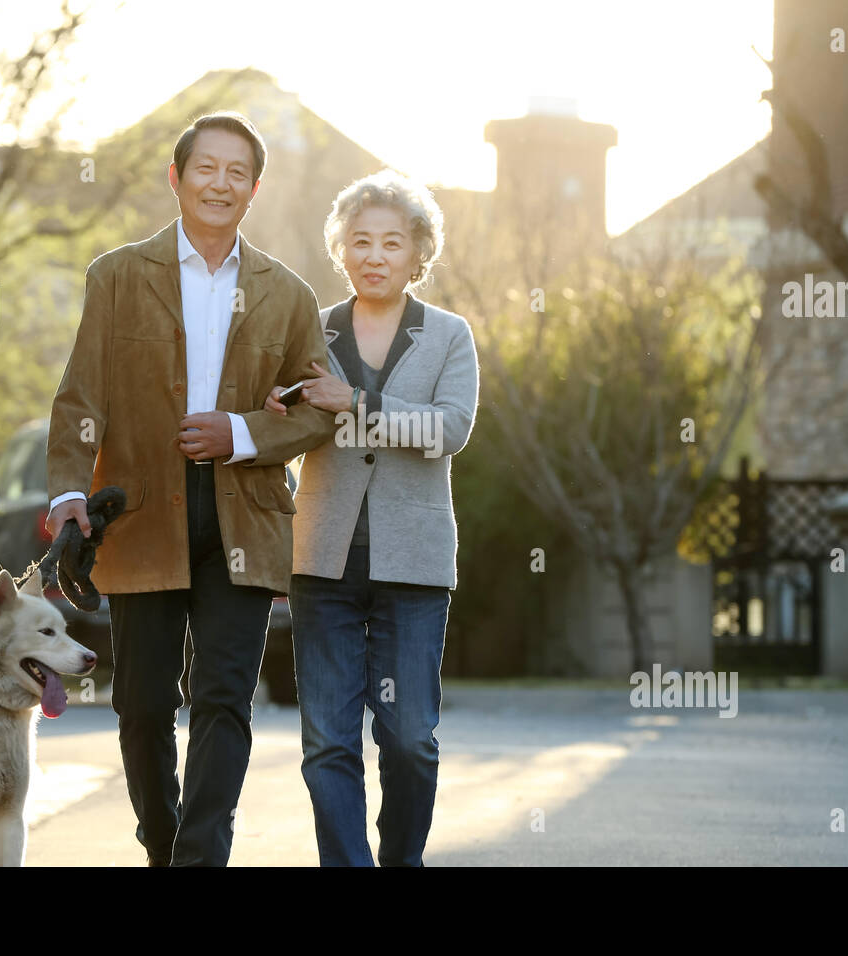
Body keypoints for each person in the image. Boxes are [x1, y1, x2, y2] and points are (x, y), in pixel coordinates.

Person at [46, 111, 336, 866]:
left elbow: (319, 405)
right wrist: (67, 495)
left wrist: (240, 434)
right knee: (142, 704)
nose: (221, 183)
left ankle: (200, 858)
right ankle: (164, 843)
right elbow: (81, 399)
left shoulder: (289, 292)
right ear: (177, 178)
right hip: (140, 512)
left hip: (246, 514)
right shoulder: (116, 276)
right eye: (206, 168)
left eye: (237, 172)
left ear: (255, 188)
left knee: (223, 698)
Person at [264, 169, 479, 866]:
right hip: (322, 562)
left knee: (410, 736)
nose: (375, 255)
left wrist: (355, 403)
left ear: (419, 253)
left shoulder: (449, 336)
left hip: (413, 566)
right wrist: (279, 412)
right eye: (361, 241)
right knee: (327, 740)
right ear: (341, 250)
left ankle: (401, 860)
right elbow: (290, 426)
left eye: (392, 242)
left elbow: (448, 430)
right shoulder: (311, 331)